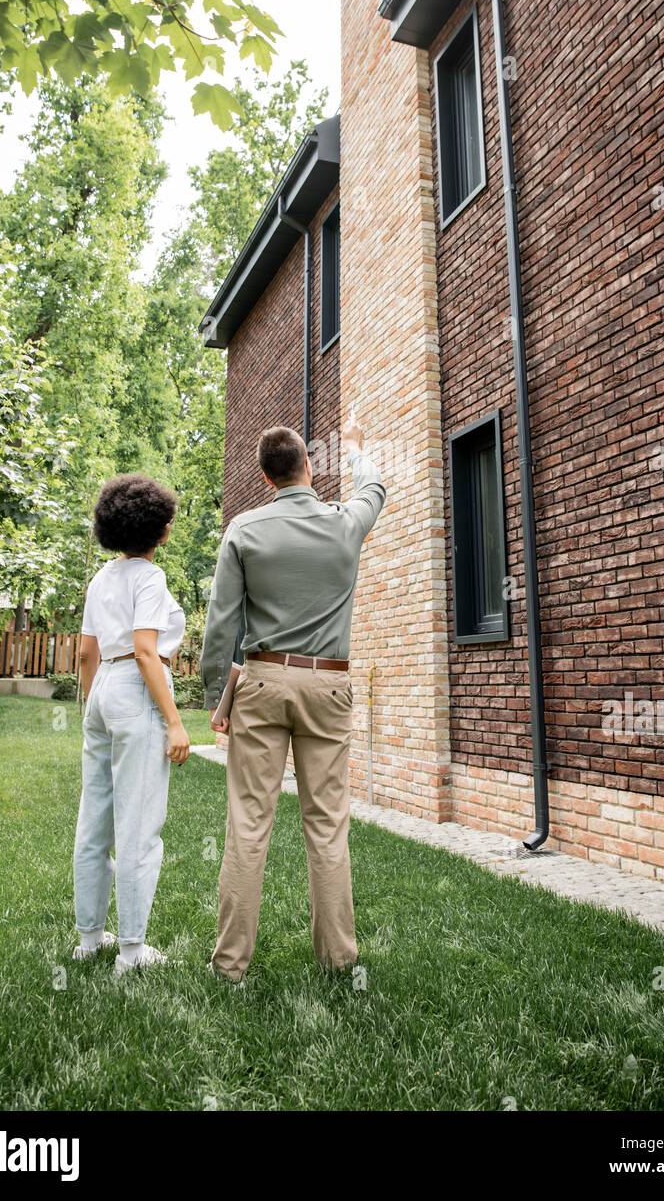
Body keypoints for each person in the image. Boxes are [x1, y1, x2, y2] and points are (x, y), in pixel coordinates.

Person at [201, 409, 386, 981]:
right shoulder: (344, 523)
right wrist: (353, 448)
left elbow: (220, 625)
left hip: (261, 682)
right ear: (309, 466)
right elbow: (375, 487)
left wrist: (217, 696)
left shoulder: (244, 530)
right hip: (330, 684)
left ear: (265, 479)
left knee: (249, 824)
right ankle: (338, 961)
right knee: (327, 824)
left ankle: (231, 966)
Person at [73, 473, 190, 975]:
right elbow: (147, 651)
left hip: (101, 692)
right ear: (158, 528)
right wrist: (175, 721)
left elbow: (84, 652)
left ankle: (89, 937)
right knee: (140, 825)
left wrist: (92, 708)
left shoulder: (101, 578)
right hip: (135, 690)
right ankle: (132, 950)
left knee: (94, 820)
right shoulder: (149, 578)